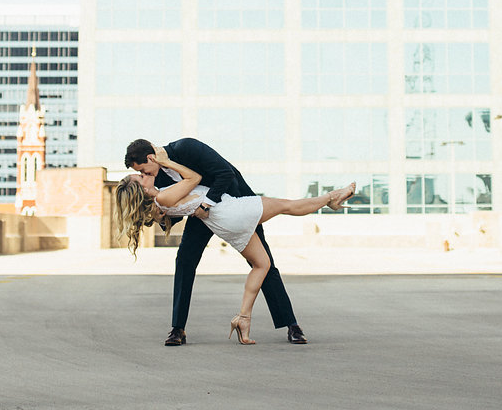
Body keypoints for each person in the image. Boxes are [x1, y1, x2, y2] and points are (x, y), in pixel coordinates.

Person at [121, 137, 353, 346]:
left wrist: (207, 205)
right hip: (201, 216)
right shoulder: (154, 176)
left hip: (232, 200)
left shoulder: (186, 148)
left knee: (264, 263)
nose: (147, 175)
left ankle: (291, 324)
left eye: (144, 170)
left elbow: (225, 173)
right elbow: (172, 205)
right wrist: (163, 218)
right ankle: (177, 329)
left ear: (151, 158)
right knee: (184, 262)